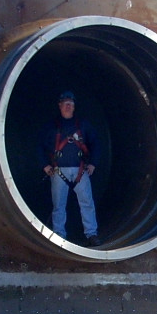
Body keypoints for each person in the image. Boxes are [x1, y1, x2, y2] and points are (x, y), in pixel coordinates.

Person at [38, 91, 101, 247]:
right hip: (59, 172)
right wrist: (45, 165)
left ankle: (91, 234)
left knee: (87, 203)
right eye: (65, 103)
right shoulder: (51, 127)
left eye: (70, 104)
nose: (68, 106)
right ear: (59, 106)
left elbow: (96, 144)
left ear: (74, 107)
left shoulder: (83, 125)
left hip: (81, 171)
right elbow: (39, 146)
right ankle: (59, 235)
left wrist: (93, 163)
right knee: (58, 205)